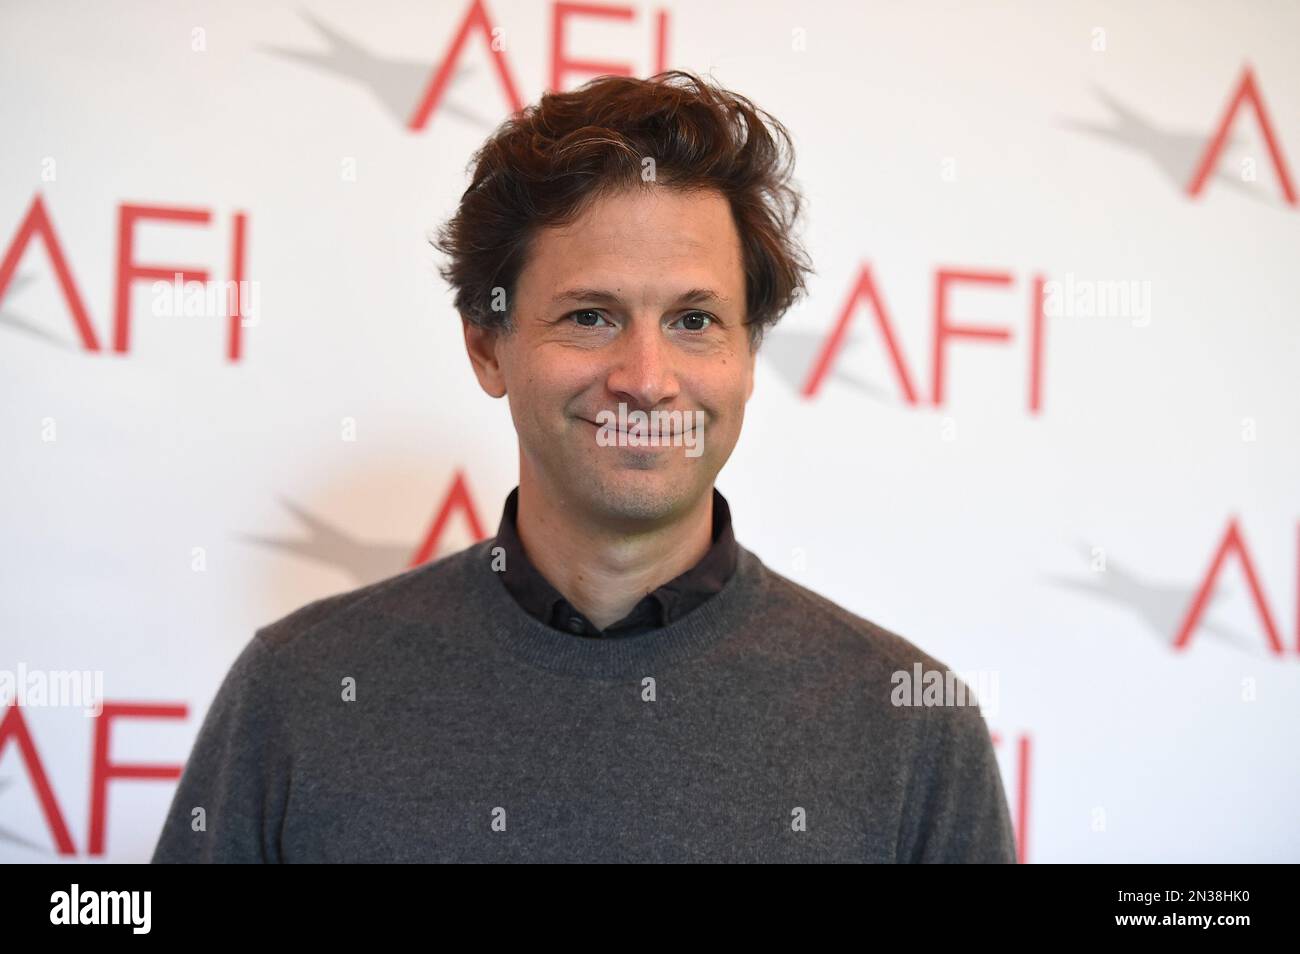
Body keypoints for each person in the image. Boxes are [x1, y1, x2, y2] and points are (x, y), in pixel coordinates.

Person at [152, 70, 1017, 863]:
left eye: (694, 321)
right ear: (487, 347)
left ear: (749, 355)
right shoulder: (299, 692)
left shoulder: (911, 730)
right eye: (592, 317)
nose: (645, 379)